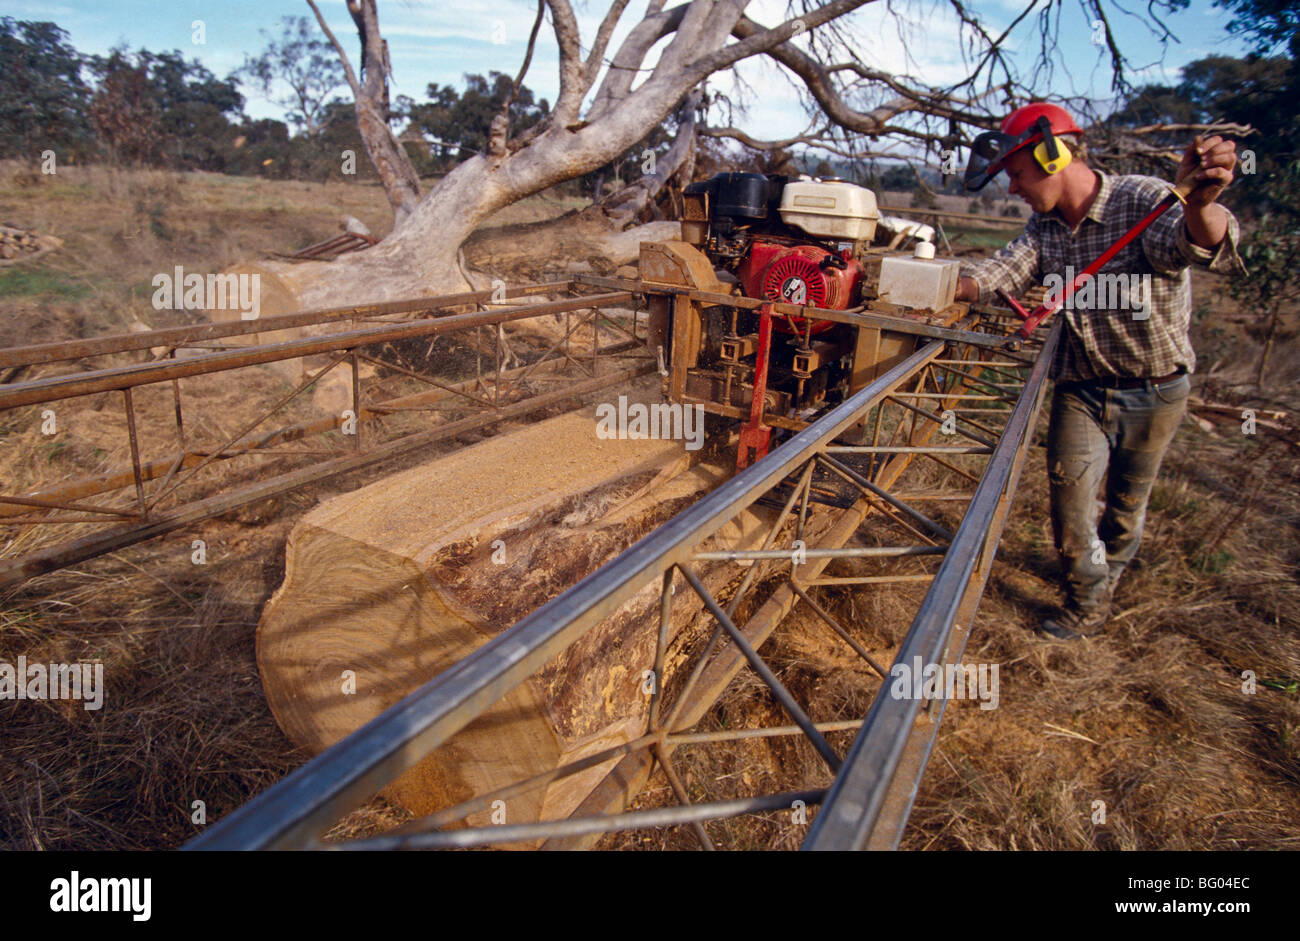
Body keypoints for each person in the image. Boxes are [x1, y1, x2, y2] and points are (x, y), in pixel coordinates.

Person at [955, 102, 1245, 639]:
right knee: (1071, 506)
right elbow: (1001, 271)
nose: (1012, 189)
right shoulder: (1043, 227)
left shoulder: (1142, 201)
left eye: (1016, 174)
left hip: (1155, 388)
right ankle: (1087, 604)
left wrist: (1203, 204)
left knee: (1126, 506)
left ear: (1051, 152)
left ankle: (1110, 568)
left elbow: (1194, 243)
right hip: (1081, 388)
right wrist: (946, 284)